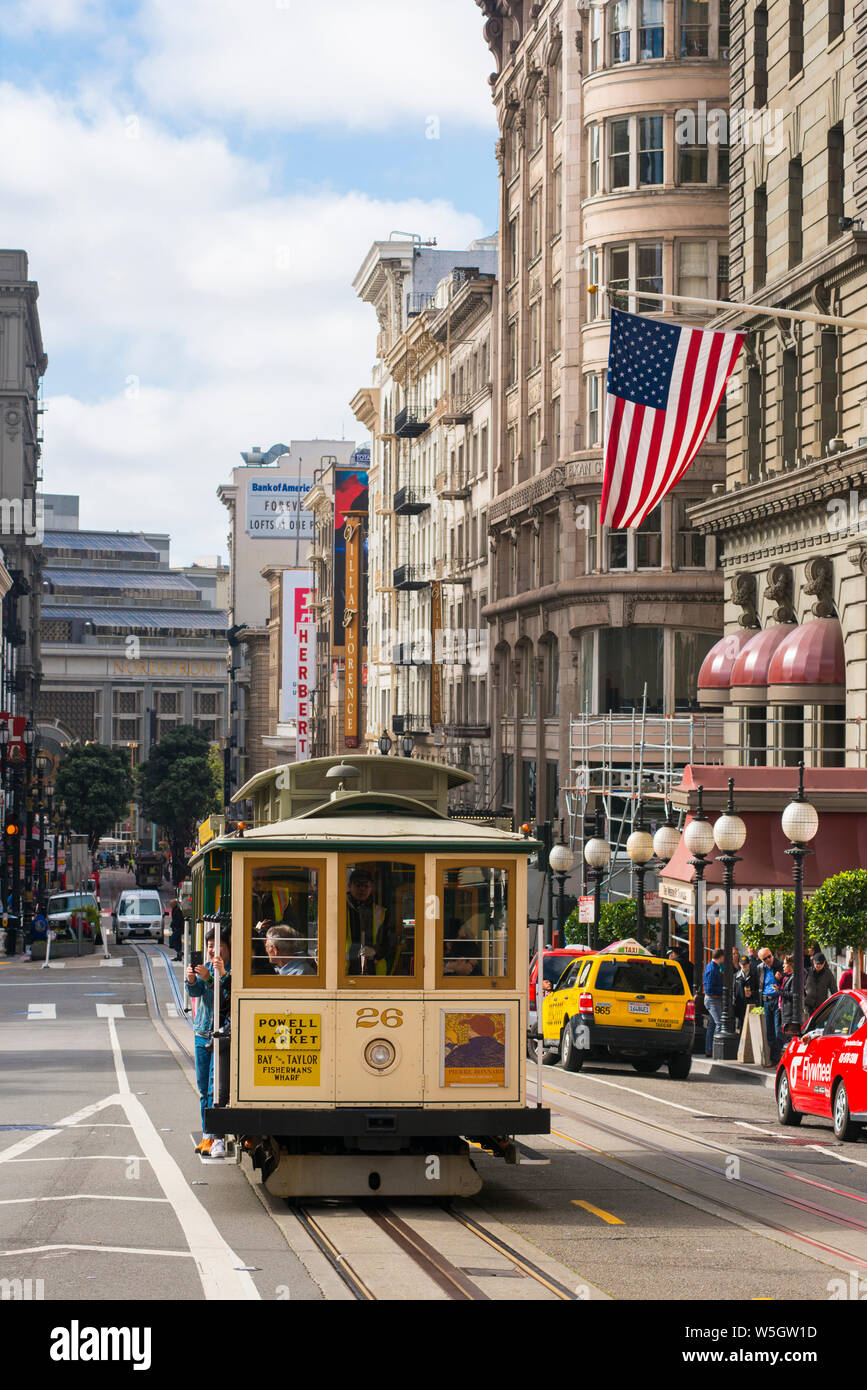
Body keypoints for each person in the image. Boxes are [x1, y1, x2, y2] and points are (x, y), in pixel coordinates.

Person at [187, 927, 231, 1159]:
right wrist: (192, 980)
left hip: (222, 1034)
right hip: (202, 1031)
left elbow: (227, 997)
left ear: (228, 947)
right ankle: (207, 1133)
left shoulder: (229, 971)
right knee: (204, 1088)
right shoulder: (206, 965)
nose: (213, 950)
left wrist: (212, 978)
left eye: (218, 945)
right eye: (210, 945)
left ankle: (217, 1138)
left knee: (216, 1089)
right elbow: (196, 994)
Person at [345, 868, 395, 975]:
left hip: (374, 973)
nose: (362, 889)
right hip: (345, 972)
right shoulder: (339, 910)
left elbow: (390, 942)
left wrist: (376, 950)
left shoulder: (381, 912)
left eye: (366, 885)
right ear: (350, 886)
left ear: (371, 888)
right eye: (358, 885)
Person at [758, 947, 784, 1064]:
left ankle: (777, 1059)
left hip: (777, 999)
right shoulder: (760, 968)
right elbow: (757, 984)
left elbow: (787, 980)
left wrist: (780, 978)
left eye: (770, 956)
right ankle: (774, 1059)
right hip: (766, 1001)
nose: (768, 959)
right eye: (765, 958)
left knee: (778, 1030)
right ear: (762, 960)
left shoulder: (780, 965)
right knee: (769, 1032)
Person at [703, 948, 724, 1056]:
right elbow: (710, 989)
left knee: (712, 1024)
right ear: (720, 957)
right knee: (719, 1023)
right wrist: (723, 991)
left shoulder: (711, 966)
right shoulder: (712, 969)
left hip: (711, 999)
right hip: (712, 999)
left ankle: (709, 1049)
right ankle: (715, 1049)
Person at [805, 951, 837, 1017]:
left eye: (821, 964)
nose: (818, 965)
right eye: (817, 963)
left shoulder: (828, 974)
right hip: (807, 1006)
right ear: (813, 962)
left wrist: (833, 1004)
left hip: (821, 1007)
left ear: (824, 962)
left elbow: (834, 990)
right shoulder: (807, 972)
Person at [734, 952, 759, 1032]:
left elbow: (759, 990)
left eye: (745, 964)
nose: (744, 966)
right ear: (739, 964)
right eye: (742, 964)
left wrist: (752, 993)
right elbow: (733, 991)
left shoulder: (755, 975)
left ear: (749, 964)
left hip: (752, 1004)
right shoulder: (736, 976)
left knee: (753, 1026)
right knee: (741, 1026)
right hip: (740, 1005)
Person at [779, 955, 800, 1038]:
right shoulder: (787, 977)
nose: (783, 966)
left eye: (785, 964)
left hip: (790, 1014)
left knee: (788, 1037)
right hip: (785, 1011)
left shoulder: (794, 977)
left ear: (791, 965)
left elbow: (792, 994)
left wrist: (779, 991)